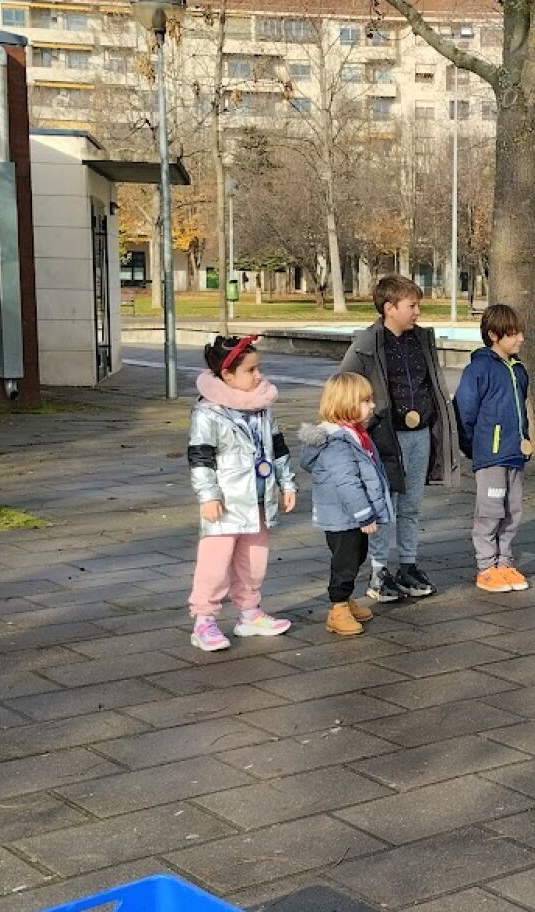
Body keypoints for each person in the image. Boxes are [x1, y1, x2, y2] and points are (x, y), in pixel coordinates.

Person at [339, 275, 461, 604]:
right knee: (384, 507)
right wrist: (368, 420)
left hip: (420, 435)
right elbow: (342, 386)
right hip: (385, 440)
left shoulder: (420, 339)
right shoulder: (367, 343)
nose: (417, 311)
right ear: (389, 308)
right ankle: (379, 572)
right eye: (412, 305)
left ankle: (408, 564)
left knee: (411, 507)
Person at [185, 335, 297, 652]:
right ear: (227, 375)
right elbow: (200, 457)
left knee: (254, 559)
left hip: (258, 500)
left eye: (258, 368)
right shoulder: (208, 413)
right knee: (215, 563)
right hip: (225, 503)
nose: (258, 376)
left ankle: (249, 612)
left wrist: (287, 483)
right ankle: (204, 620)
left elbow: (278, 448)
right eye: (251, 371)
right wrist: (208, 495)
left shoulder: (262, 408)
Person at [298, 372, 392, 638]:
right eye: (365, 401)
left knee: (356, 556)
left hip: (352, 516)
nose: (372, 405)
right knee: (346, 561)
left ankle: (346, 600)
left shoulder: (355, 434)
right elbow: (347, 483)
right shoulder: (338, 443)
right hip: (345, 517)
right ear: (346, 405)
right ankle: (337, 607)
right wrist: (365, 515)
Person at [452, 303, 533, 594]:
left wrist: (524, 440)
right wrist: (475, 448)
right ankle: (486, 566)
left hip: (515, 454)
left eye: (520, 333)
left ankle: (504, 562)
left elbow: (521, 410)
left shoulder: (519, 370)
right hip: (491, 456)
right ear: (494, 335)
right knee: (490, 511)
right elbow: (464, 411)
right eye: (513, 334)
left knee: (513, 510)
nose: (520, 339)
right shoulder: (479, 369)